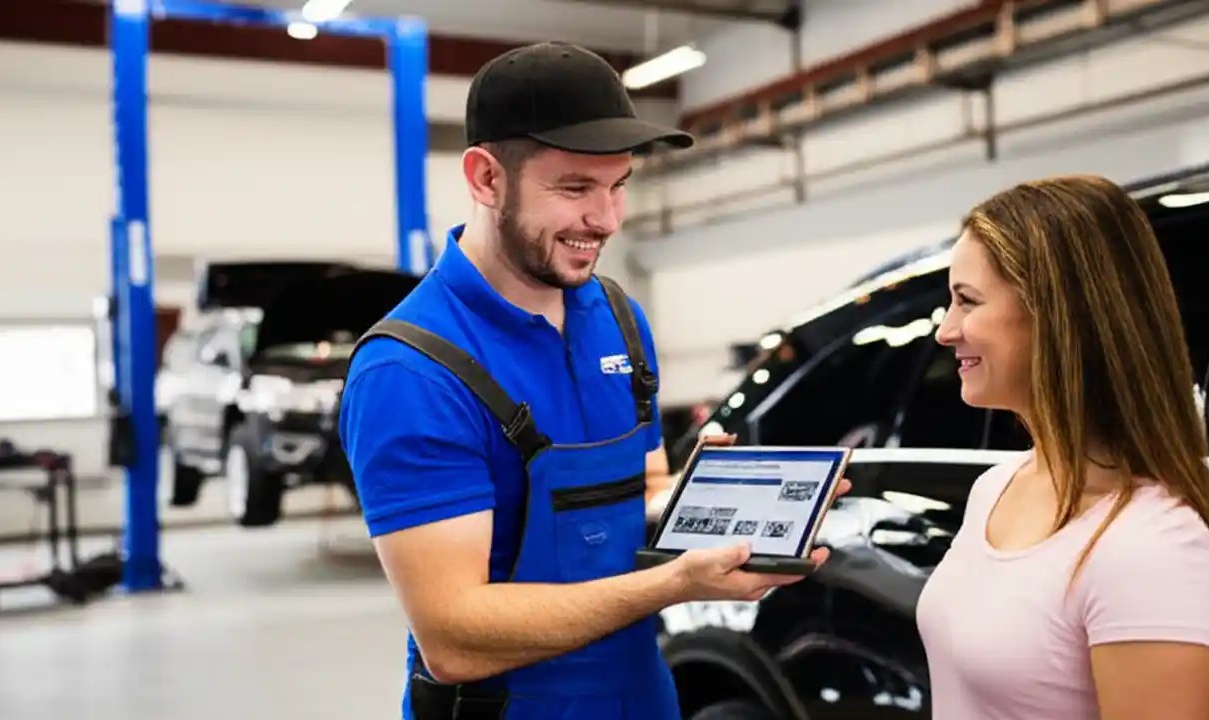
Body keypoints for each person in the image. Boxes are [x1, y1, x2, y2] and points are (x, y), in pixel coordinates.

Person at [338, 42, 843, 720]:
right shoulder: (411, 372)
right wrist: (674, 585)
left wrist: (712, 504)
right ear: (486, 179)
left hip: (641, 698)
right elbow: (454, 637)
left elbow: (646, 487)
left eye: (619, 186)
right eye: (574, 188)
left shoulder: (617, 320)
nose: (605, 220)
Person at [917, 173, 1209, 719]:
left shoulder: (1151, 545)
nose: (946, 330)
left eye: (967, 301)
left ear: (1057, 313)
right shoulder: (996, 488)